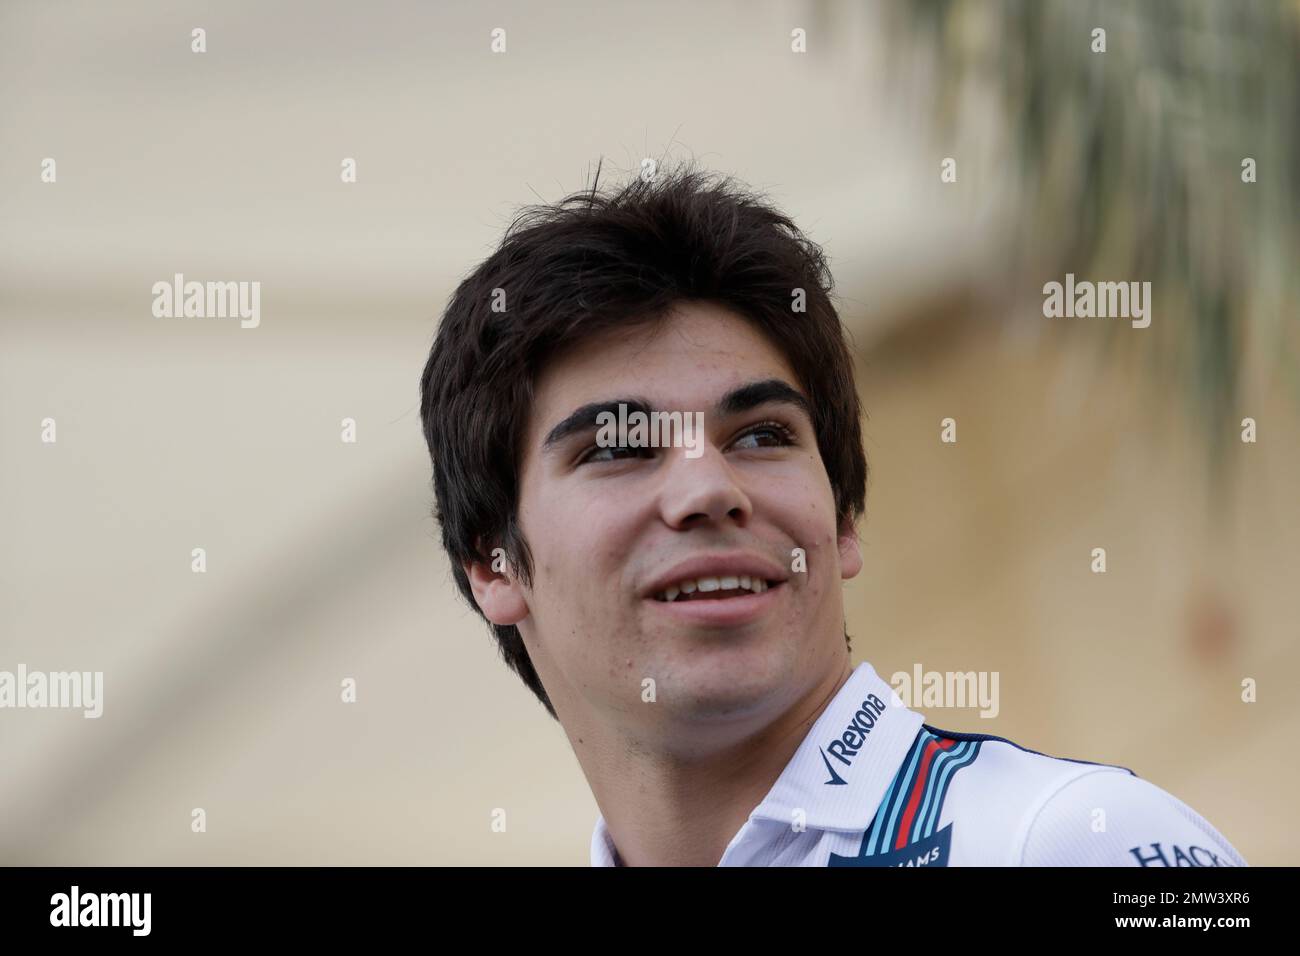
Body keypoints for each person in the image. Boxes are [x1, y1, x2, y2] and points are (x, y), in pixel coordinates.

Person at [418, 162, 1247, 867]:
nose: (709, 488)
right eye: (619, 448)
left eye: (763, 434)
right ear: (493, 563)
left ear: (842, 522)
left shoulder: (1072, 842)